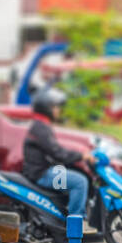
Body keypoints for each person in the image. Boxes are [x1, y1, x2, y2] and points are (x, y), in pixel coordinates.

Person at [22, 86, 97, 232]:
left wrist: (79, 154)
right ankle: (76, 222)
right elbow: (58, 153)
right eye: (55, 107)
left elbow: (56, 150)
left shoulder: (41, 125)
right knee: (80, 181)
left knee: (75, 176)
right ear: (46, 108)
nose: (58, 110)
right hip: (41, 174)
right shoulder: (41, 128)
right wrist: (81, 156)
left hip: (44, 169)